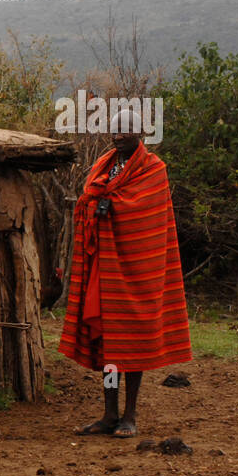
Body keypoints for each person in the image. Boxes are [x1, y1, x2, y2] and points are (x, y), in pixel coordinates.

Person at [61, 108, 192, 438]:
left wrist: (113, 205)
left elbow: (146, 215)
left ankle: (130, 415)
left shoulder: (153, 170)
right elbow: (91, 196)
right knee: (107, 344)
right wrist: (96, 204)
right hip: (104, 267)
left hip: (138, 269)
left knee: (133, 344)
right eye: (114, 131)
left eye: (125, 131)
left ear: (141, 134)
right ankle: (109, 414)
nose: (118, 137)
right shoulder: (104, 164)